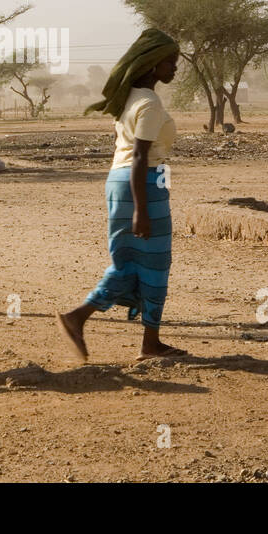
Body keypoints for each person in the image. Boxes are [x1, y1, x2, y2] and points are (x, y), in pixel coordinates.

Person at [58, 28, 187, 362]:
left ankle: (86, 319)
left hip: (121, 180)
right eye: (170, 62)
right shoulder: (149, 103)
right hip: (143, 184)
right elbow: (142, 157)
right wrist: (141, 211)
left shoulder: (129, 97)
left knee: (129, 261)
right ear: (152, 64)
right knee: (156, 263)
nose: (174, 68)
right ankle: (147, 342)